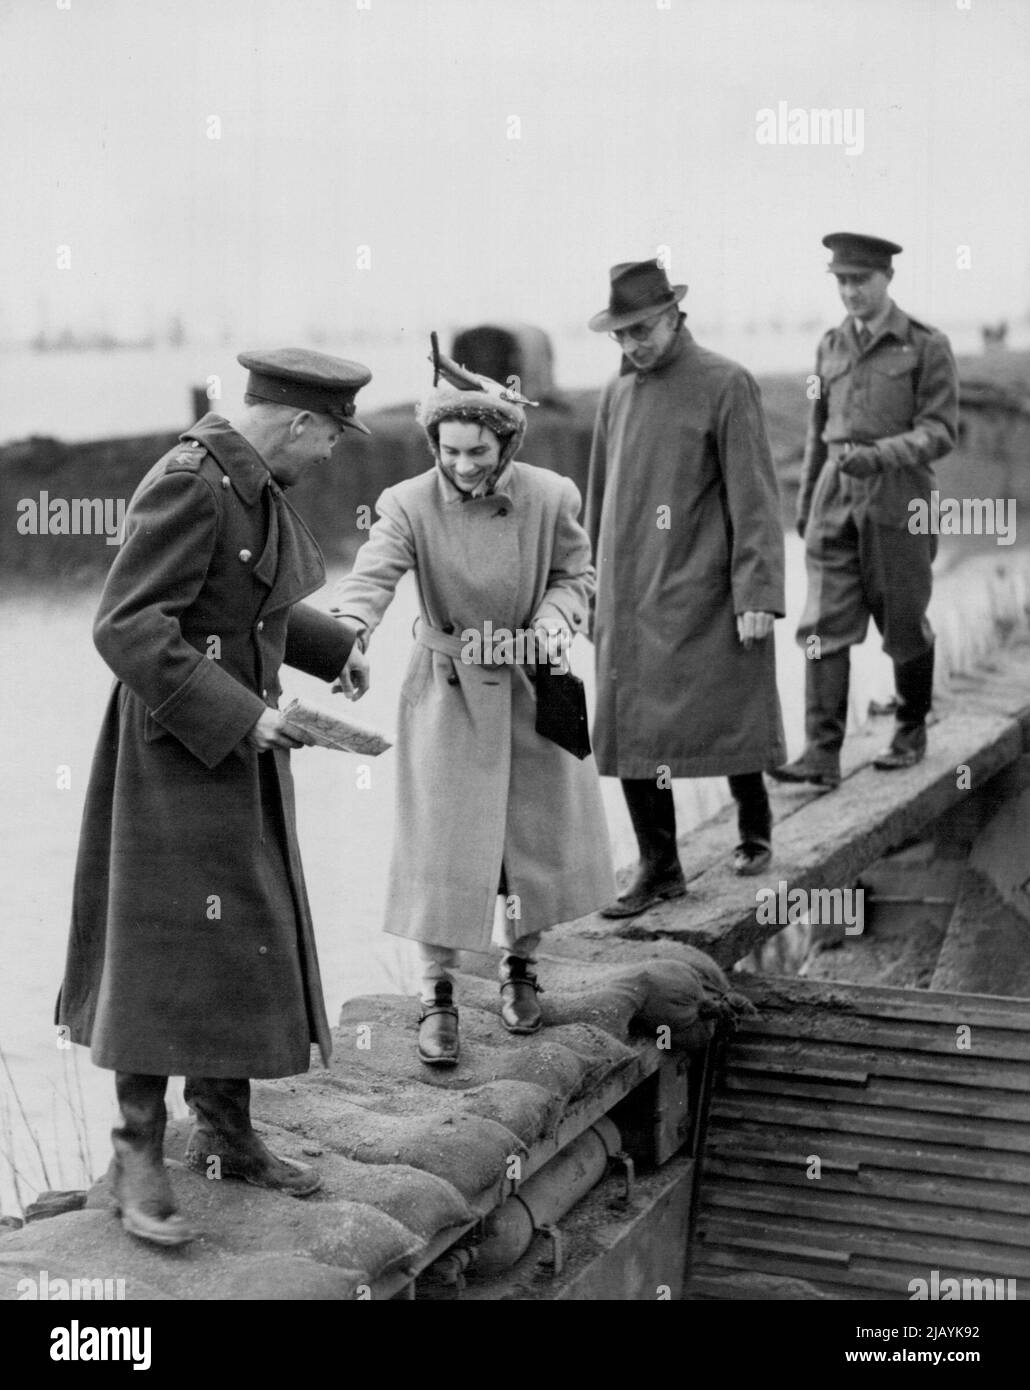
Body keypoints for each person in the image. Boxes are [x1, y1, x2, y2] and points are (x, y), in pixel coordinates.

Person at [56, 348, 373, 1247]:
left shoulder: (252, 476)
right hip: (173, 752)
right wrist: (242, 715)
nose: (330, 455)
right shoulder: (192, 482)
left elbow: (243, 600)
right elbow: (126, 625)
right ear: (301, 422)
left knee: (235, 936)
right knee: (160, 950)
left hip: (233, 746)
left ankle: (227, 1135)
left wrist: (327, 647)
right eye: (331, 436)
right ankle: (138, 1158)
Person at [331, 357, 615, 1067]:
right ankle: (437, 994)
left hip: (528, 681)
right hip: (447, 689)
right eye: (448, 451)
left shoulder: (551, 496)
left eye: (477, 452)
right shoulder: (405, 503)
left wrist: (555, 621)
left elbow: (576, 575)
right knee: (443, 843)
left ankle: (520, 968)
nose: (461, 465)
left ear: (507, 445)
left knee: (528, 842)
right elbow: (373, 576)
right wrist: (347, 632)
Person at [584, 259, 786, 918]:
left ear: (675, 315)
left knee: (727, 701)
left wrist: (756, 593)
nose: (632, 344)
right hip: (625, 591)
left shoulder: (727, 384)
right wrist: (587, 585)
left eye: (642, 328)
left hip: (701, 581)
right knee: (627, 726)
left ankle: (754, 825)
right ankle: (660, 866)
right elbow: (599, 498)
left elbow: (754, 496)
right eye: (621, 334)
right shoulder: (617, 395)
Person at [771, 233, 959, 789]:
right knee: (822, 623)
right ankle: (822, 756)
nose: (851, 291)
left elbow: (942, 431)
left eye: (861, 280)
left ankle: (909, 729)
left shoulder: (926, 345)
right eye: (842, 281)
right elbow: (816, 429)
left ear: (887, 279)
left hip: (899, 494)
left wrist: (881, 456)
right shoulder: (829, 346)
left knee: (902, 616)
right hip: (835, 493)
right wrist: (808, 502)